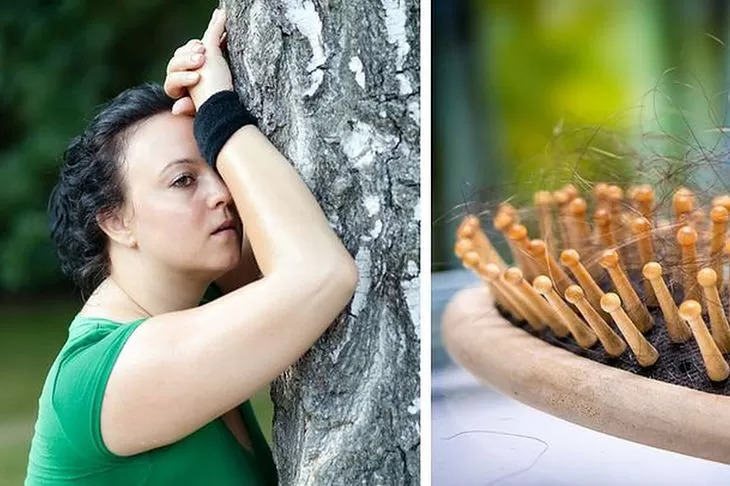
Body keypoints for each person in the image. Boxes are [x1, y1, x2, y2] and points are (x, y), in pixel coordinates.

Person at [25, 8, 358, 485]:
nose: (224, 192)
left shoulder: (197, 307)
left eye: (216, 169)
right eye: (183, 180)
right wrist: (219, 109)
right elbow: (321, 273)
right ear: (117, 222)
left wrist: (208, 87)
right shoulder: (101, 378)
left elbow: (281, 246)